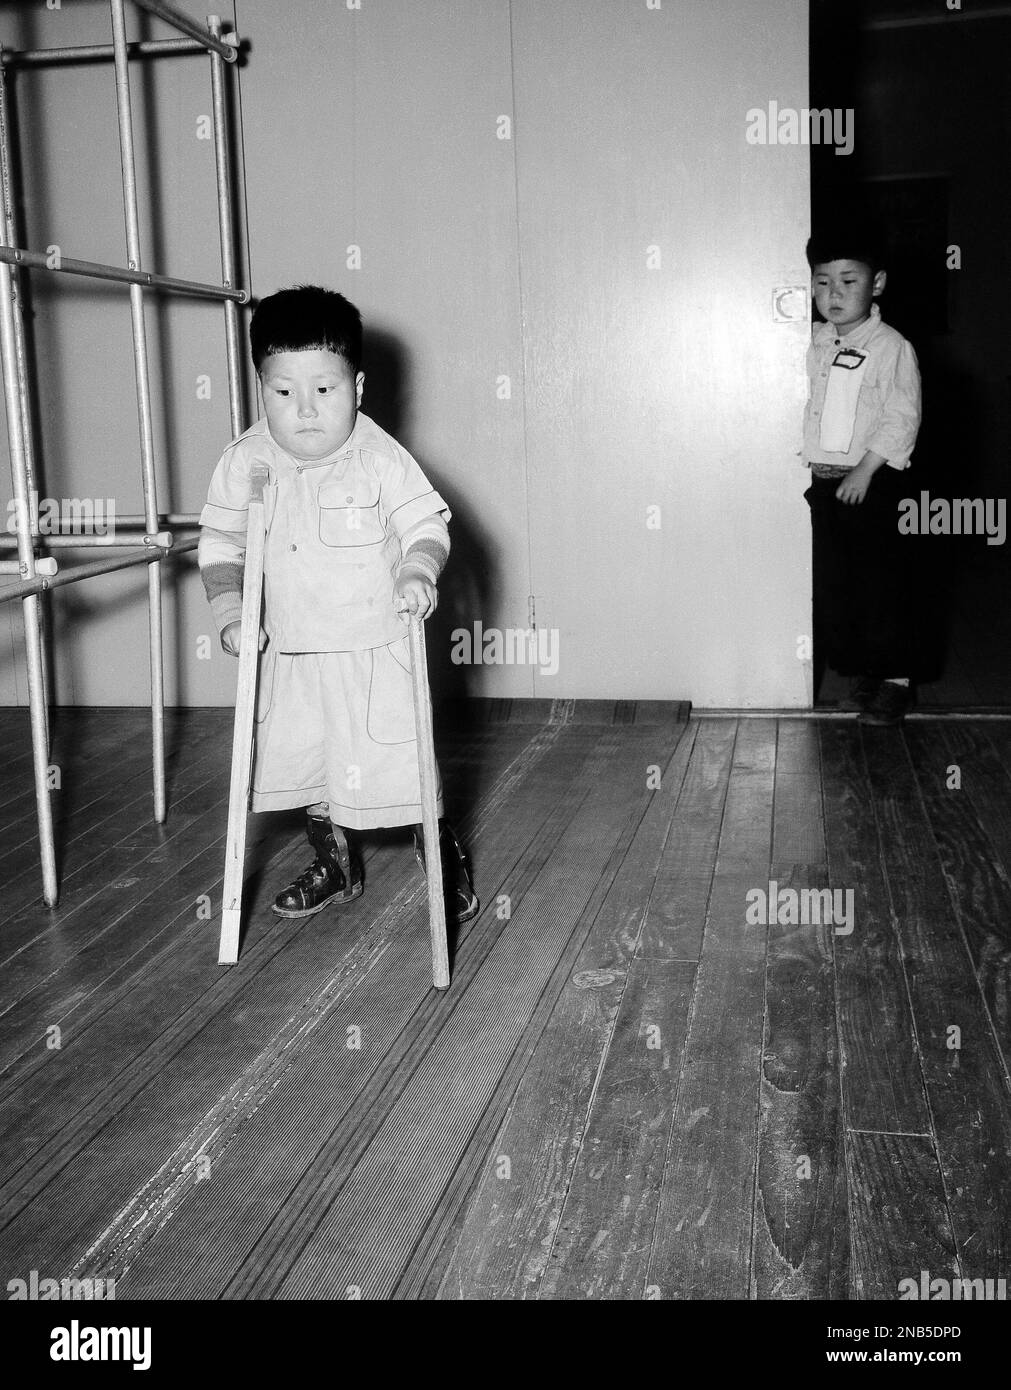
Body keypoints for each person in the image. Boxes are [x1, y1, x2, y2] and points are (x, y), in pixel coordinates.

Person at [198, 285, 478, 920]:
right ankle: (332, 861)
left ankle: (439, 853)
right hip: (288, 651)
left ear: (358, 385)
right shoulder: (245, 463)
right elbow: (219, 544)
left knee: (396, 761)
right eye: (283, 391)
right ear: (259, 387)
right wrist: (229, 613)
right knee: (311, 762)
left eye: (324, 390)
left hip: (374, 650)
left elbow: (427, 526)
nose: (304, 410)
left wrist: (417, 570)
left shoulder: (380, 458)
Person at [803, 231, 922, 725]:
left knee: (881, 584)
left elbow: (901, 416)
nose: (833, 293)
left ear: (878, 285)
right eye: (822, 282)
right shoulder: (818, 340)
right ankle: (865, 673)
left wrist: (866, 470)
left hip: (871, 484)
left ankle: (896, 680)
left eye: (848, 281)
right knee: (840, 586)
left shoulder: (891, 346)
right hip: (828, 482)